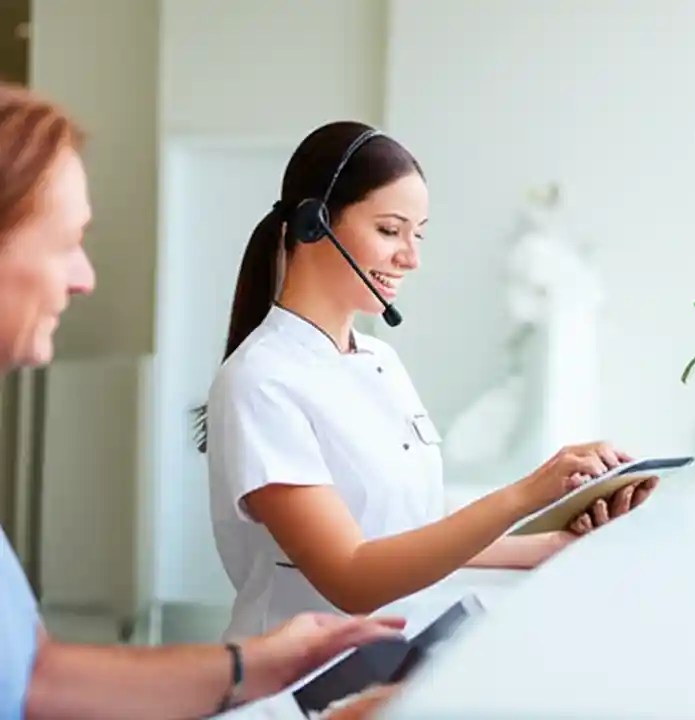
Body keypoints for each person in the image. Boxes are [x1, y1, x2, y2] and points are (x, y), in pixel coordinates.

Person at [0, 84, 406, 719]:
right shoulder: (262, 376)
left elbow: (37, 679)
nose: (85, 278)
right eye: (62, 243)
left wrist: (259, 671)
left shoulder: (380, 360)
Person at [200, 121, 658, 640]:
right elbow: (351, 577)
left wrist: (554, 545)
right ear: (314, 224)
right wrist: (529, 492)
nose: (411, 258)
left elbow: (413, 527)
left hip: (390, 661)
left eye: (417, 235)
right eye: (390, 230)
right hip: (295, 683)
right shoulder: (261, 380)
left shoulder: (379, 361)